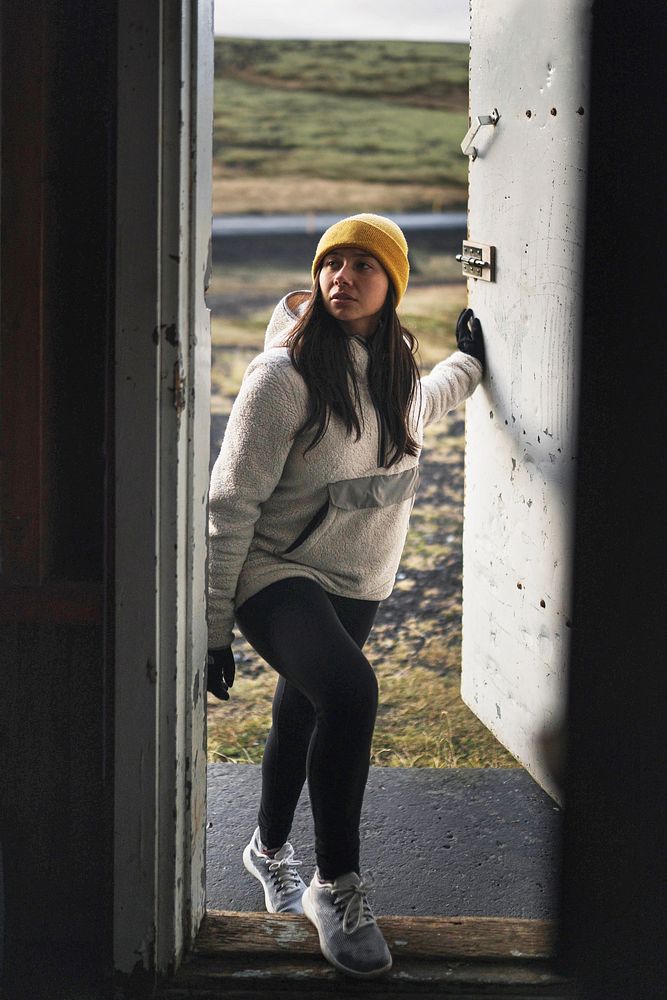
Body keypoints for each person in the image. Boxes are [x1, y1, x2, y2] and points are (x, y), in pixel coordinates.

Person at [207, 213, 484, 978]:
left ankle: (266, 853)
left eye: (364, 265)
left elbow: (417, 406)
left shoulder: (392, 360)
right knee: (351, 694)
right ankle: (337, 885)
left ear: (391, 283)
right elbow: (228, 507)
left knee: (304, 707)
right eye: (332, 262)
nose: (342, 277)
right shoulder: (282, 377)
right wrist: (209, 630)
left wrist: (470, 360)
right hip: (277, 571)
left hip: (357, 575)